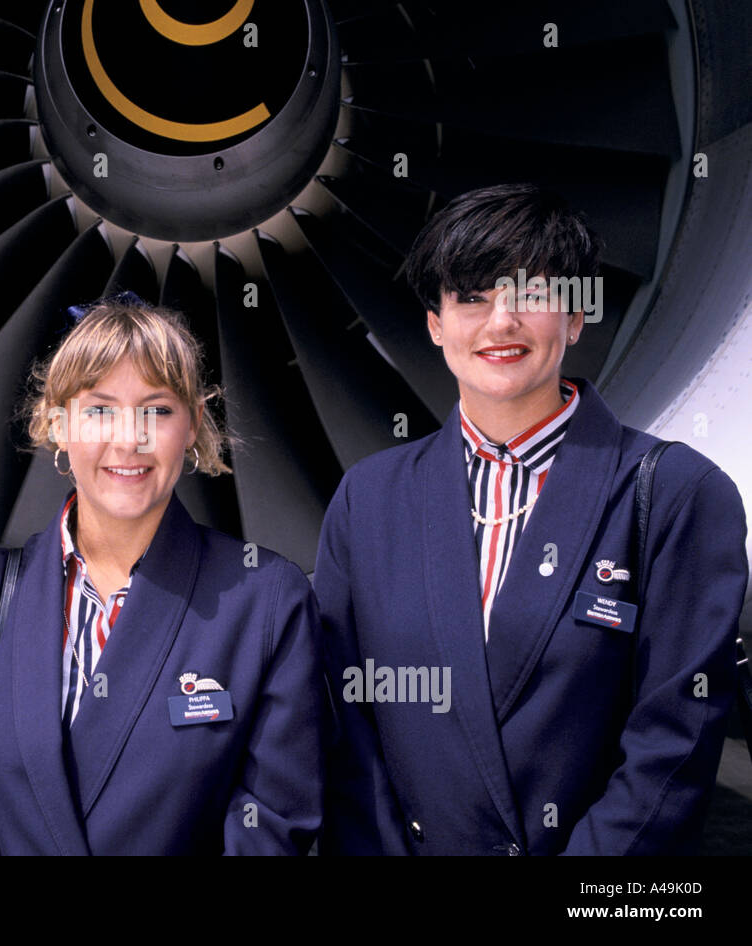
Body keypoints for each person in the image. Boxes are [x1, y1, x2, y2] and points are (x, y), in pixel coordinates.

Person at [317, 183, 749, 855]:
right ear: (435, 323)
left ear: (576, 318)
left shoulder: (676, 493)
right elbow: (345, 727)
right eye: (471, 297)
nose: (501, 324)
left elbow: (673, 742)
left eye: (532, 296)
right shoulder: (367, 501)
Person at [0, 299, 323, 854]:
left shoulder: (266, 602)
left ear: (192, 425)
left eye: (157, 410)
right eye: (99, 409)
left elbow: (273, 828)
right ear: (57, 422)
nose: (128, 439)